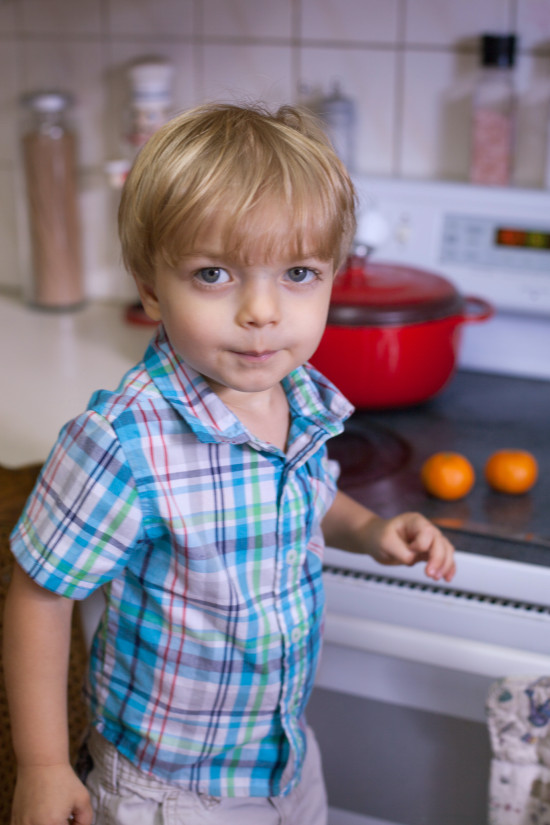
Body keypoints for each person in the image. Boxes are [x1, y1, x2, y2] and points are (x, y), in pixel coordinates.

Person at [3, 102, 456, 825]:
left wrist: (371, 530)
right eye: (214, 274)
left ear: (334, 278)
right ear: (151, 288)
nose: (262, 310)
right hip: (170, 790)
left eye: (299, 273)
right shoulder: (123, 442)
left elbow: (307, 501)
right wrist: (44, 765)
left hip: (285, 758)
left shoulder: (298, 396)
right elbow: (39, 592)